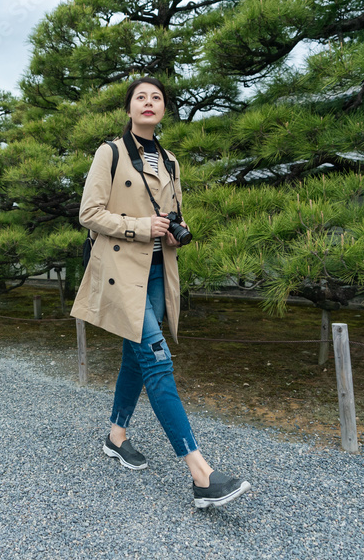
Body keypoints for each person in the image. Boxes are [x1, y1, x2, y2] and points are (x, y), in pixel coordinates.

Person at [70, 76, 251, 509]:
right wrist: (137, 227)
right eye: (140, 98)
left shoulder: (170, 161)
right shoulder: (110, 153)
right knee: (156, 359)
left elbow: (173, 214)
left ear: (164, 109)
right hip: (120, 272)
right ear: (129, 109)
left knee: (136, 357)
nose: (149, 103)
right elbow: (89, 213)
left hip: (155, 271)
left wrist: (172, 234)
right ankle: (201, 474)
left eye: (156, 98)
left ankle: (116, 436)